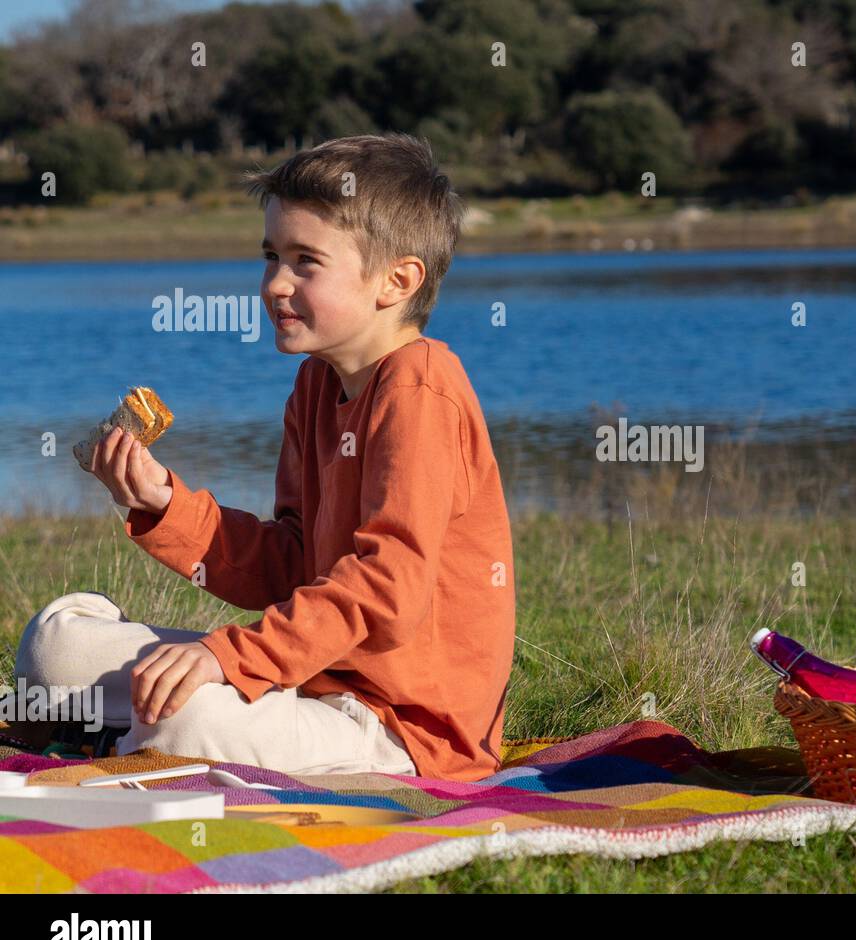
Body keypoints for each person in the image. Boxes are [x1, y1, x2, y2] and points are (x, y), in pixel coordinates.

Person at [15, 134, 516, 779]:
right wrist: (162, 503)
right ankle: (128, 730)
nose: (275, 284)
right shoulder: (315, 387)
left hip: (400, 728)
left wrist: (230, 660)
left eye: (306, 261)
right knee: (54, 646)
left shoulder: (420, 391)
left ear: (396, 281)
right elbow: (291, 564)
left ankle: (127, 737)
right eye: (271, 256)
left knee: (184, 717)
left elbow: (387, 591)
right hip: (307, 677)